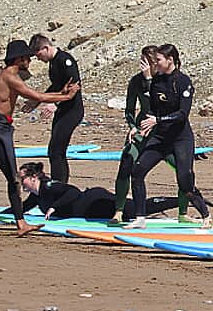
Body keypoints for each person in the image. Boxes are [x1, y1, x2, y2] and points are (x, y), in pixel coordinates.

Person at [0, 40, 79, 235]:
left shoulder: (8, 75)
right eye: (27, 58)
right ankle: (21, 223)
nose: (30, 61)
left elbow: (34, 95)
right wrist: (66, 97)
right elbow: (36, 96)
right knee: (14, 179)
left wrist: (60, 93)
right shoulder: (9, 76)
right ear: (18, 59)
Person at [113, 46, 202, 222]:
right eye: (143, 62)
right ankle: (119, 210)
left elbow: (174, 109)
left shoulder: (166, 80)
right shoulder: (136, 81)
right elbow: (130, 110)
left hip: (164, 132)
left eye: (151, 62)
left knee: (183, 171)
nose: (146, 65)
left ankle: (183, 212)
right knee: (127, 164)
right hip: (142, 130)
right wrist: (132, 126)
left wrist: (149, 80)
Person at [18, 161, 178, 220]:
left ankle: (182, 200)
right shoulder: (37, 195)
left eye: (22, 179)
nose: (21, 183)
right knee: (134, 209)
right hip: (91, 211)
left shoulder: (49, 186)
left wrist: (54, 207)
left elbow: (73, 192)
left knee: (137, 209)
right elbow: (22, 208)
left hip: (94, 202)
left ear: (33, 177)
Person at [24, 34, 84, 184]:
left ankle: (60, 186)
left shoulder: (65, 60)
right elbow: (56, 86)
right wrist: (37, 100)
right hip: (63, 110)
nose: (38, 59)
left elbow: (74, 85)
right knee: (53, 150)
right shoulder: (53, 63)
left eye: (38, 55)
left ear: (45, 48)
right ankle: (58, 183)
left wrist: (54, 104)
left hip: (72, 110)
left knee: (57, 150)